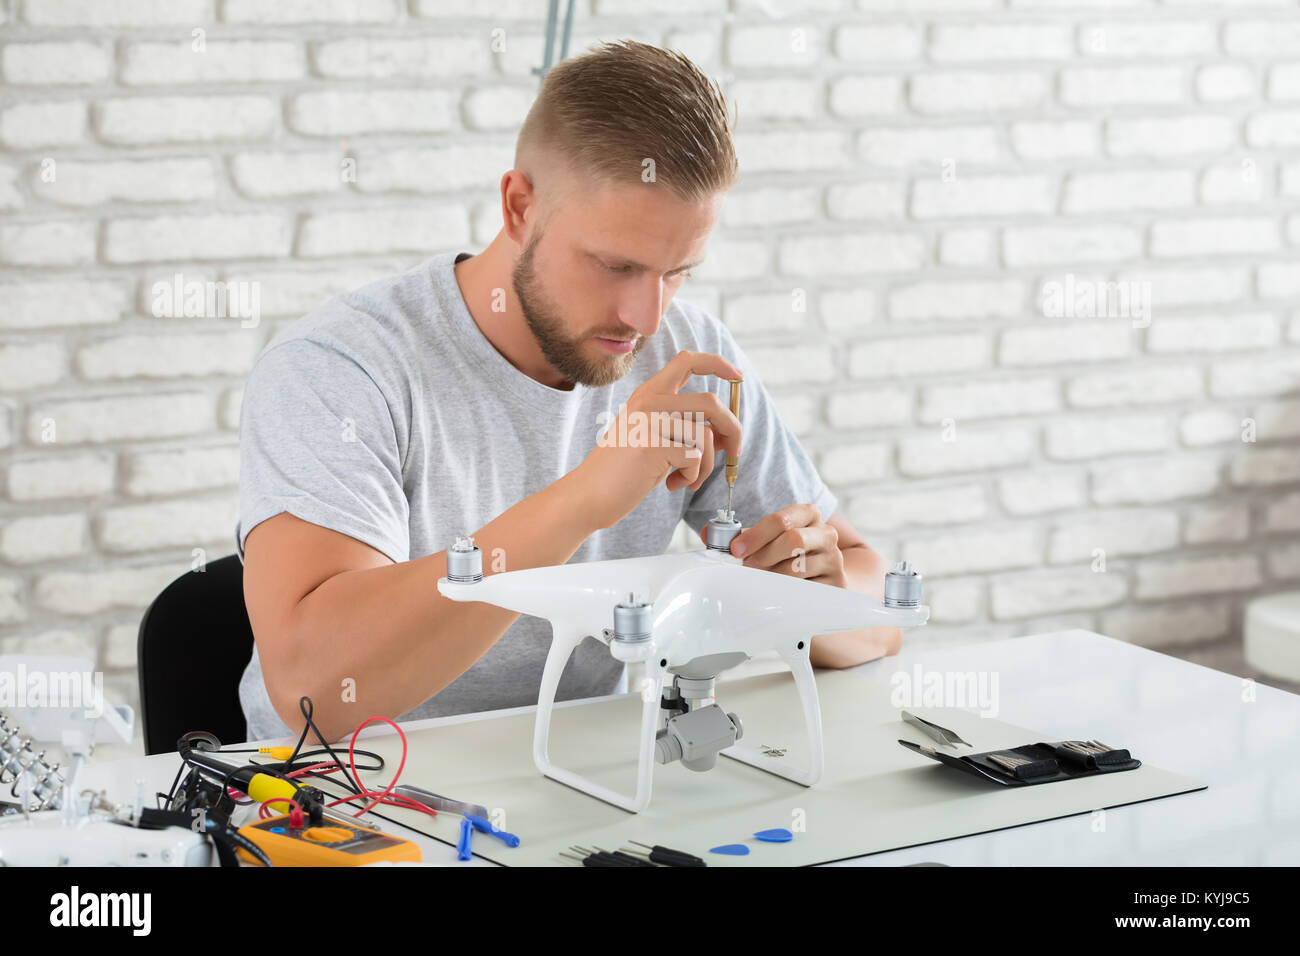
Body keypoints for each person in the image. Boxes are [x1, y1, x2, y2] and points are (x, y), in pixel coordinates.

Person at [237, 39, 901, 744]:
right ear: (520, 206)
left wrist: (815, 600)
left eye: (678, 271)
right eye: (615, 265)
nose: (646, 317)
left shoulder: (681, 354)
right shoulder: (340, 368)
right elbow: (317, 690)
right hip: (347, 805)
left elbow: (874, 603)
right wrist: (588, 497)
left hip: (583, 786)